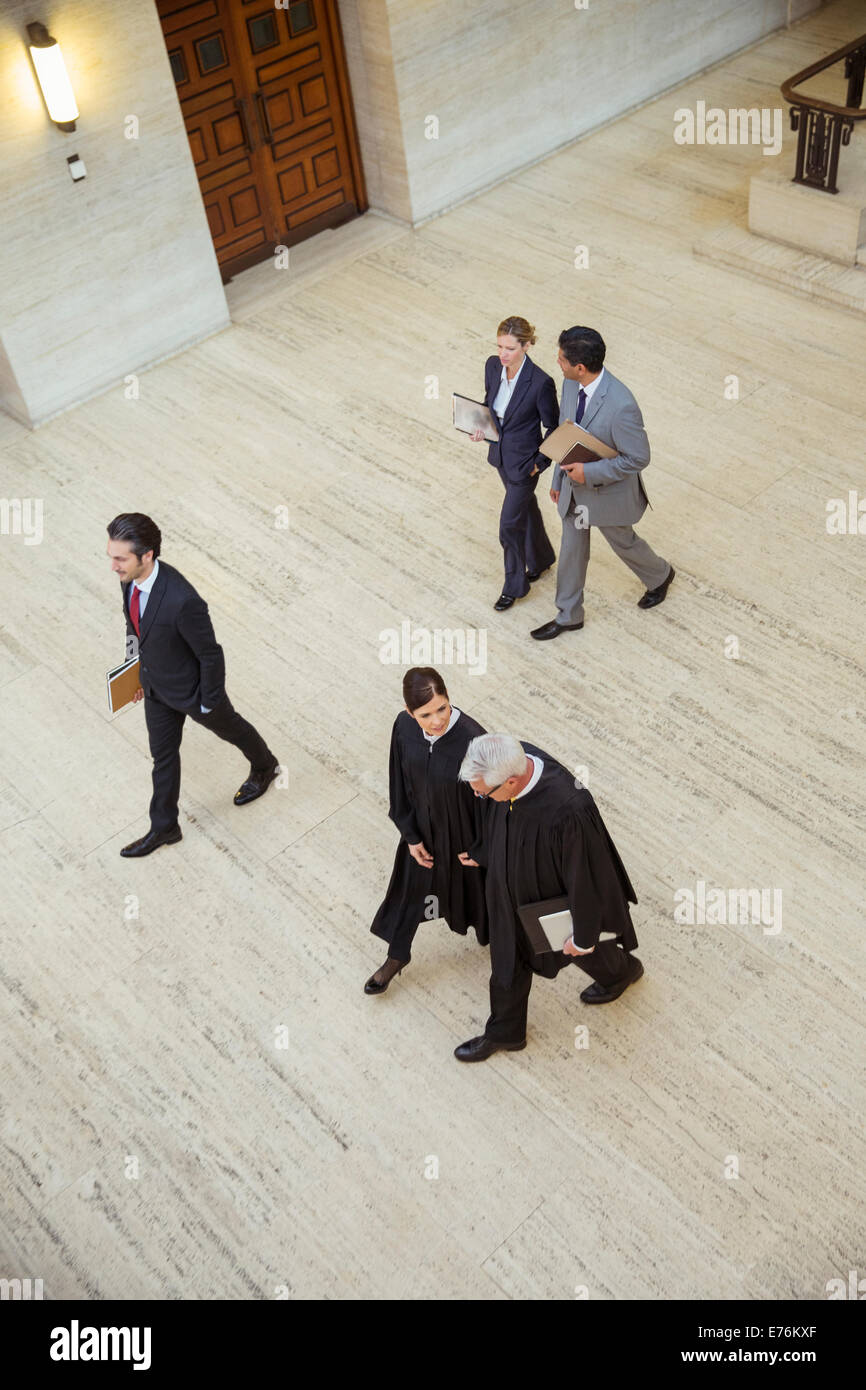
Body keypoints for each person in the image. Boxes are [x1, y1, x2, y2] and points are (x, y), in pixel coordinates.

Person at [454, 733, 642, 1061]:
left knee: (580, 947)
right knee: (506, 962)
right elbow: (498, 817)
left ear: (511, 781)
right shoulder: (511, 761)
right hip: (504, 891)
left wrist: (584, 937)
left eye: (483, 793)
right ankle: (506, 1032)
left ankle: (620, 972)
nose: (478, 796)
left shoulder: (570, 810)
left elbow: (585, 877)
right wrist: (485, 852)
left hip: (546, 900)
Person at [106, 513, 280, 857]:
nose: (113, 566)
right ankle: (165, 827)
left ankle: (265, 765)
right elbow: (133, 627)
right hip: (155, 688)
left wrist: (209, 701)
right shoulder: (129, 580)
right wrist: (132, 671)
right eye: (111, 556)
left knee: (232, 729)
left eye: (120, 558)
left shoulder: (183, 600)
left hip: (193, 692)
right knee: (163, 758)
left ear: (147, 556)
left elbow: (211, 654)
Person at [531, 326, 674, 641]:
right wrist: (559, 476)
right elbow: (564, 432)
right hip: (573, 489)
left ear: (580, 367)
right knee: (572, 548)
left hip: (608, 492)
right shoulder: (571, 385)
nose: (558, 363)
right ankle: (569, 615)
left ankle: (660, 575)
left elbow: (637, 458)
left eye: (561, 359)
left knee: (623, 541)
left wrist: (589, 474)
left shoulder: (622, 405)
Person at [366, 667, 488, 994]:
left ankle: (491, 937)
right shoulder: (404, 728)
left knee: (478, 895)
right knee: (410, 892)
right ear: (410, 712)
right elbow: (398, 779)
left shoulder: (473, 739)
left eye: (442, 708)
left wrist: (483, 847)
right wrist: (410, 835)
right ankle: (397, 956)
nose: (437, 721)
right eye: (425, 714)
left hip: (465, 838)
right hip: (423, 831)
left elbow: (493, 801)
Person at [469, 316, 558, 612]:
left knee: (509, 525)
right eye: (499, 346)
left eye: (509, 348)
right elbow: (489, 401)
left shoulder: (541, 383)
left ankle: (514, 586)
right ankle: (542, 558)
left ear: (527, 346)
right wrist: (483, 427)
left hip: (524, 464)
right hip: (500, 455)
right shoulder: (492, 366)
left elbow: (554, 428)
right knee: (525, 509)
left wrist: (539, 463)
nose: (502, 354)